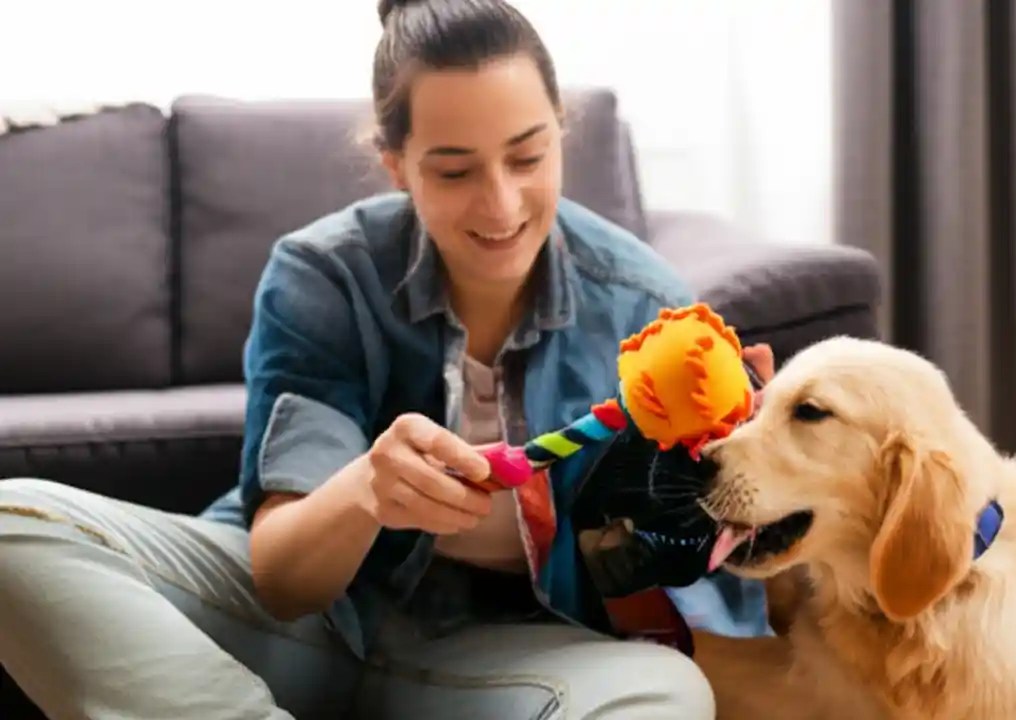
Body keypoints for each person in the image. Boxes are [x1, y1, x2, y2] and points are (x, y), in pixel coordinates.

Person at [0, 1, 772, 717]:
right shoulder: (323, 276)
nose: (501, 205)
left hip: (508, 654)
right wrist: (367, 491)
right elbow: (283, 579)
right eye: (454, 170)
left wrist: (737, 472)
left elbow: (693, 585)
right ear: (396, 163)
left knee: (661, 699)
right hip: (308, 630)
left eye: (528, 157)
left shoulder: (645, 304)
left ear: (561, 134)